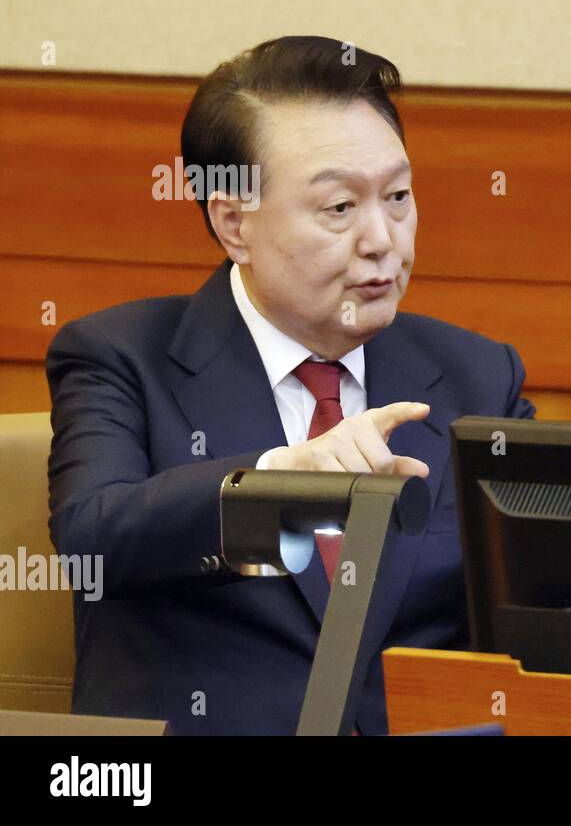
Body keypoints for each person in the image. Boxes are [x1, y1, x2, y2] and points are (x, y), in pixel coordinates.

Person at [45, 36, 534, 735]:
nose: (382, 240)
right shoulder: (120, 356)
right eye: (339, 208)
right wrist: (275, 482)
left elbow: (542, 597)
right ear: (233, 222)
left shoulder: (477, 376)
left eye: (397, 196)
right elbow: (95, 537)